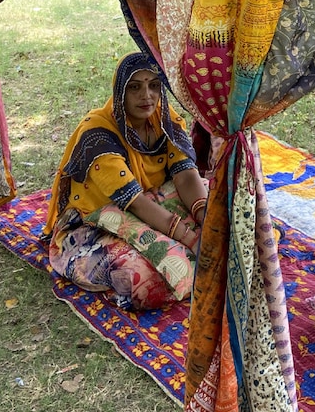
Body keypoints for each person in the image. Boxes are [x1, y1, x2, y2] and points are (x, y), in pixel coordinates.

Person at [42, 52, 208, 311]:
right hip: (94, 221)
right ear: (120, 92)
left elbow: (186, 174)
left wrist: (207, 220)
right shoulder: (97, 135)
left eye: (154, 85)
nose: (147, 95)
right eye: (135, 87)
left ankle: (195, 266)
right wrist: (193, 239)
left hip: (153, 201)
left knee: (222, 207)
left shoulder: (163, 118)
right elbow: (135, 203)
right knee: (140, 280)